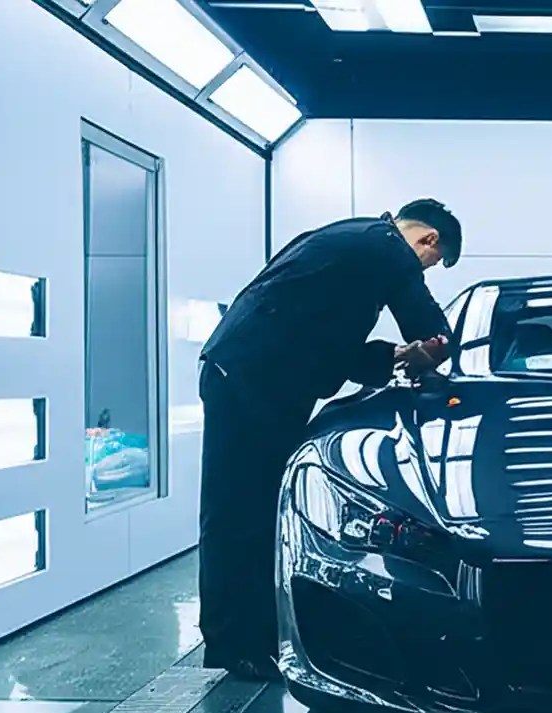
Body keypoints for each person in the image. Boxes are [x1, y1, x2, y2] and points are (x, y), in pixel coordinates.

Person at [196, 199, 462, 679]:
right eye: (431, 263)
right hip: (251, 381)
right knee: (239, 516)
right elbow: (433, 329)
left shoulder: (350, 239)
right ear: (428, 241)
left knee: (245, 513)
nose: (423, 270)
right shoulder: (388, 250)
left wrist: (394, 356)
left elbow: (322, 338)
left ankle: (247, 639)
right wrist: (435, 349)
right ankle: (236, 647)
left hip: (247, 375)